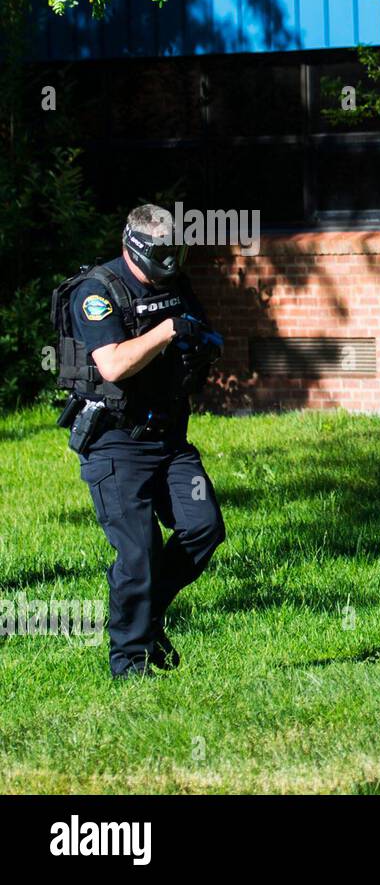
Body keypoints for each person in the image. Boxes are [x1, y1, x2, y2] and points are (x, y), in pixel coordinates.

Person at [53, 204, 226, 679]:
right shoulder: (97, 292)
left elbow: (199, 331)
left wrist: (203, 343)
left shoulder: (175, 286)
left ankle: (146, 620)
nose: (171, 265)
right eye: (162, 254)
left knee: (203, 526)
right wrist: (168, 331)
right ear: (134, 246)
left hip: (169, 437)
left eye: (177, 253)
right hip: (115, 442)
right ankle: (129, 663)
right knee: (139, 554)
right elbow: (111, 364)